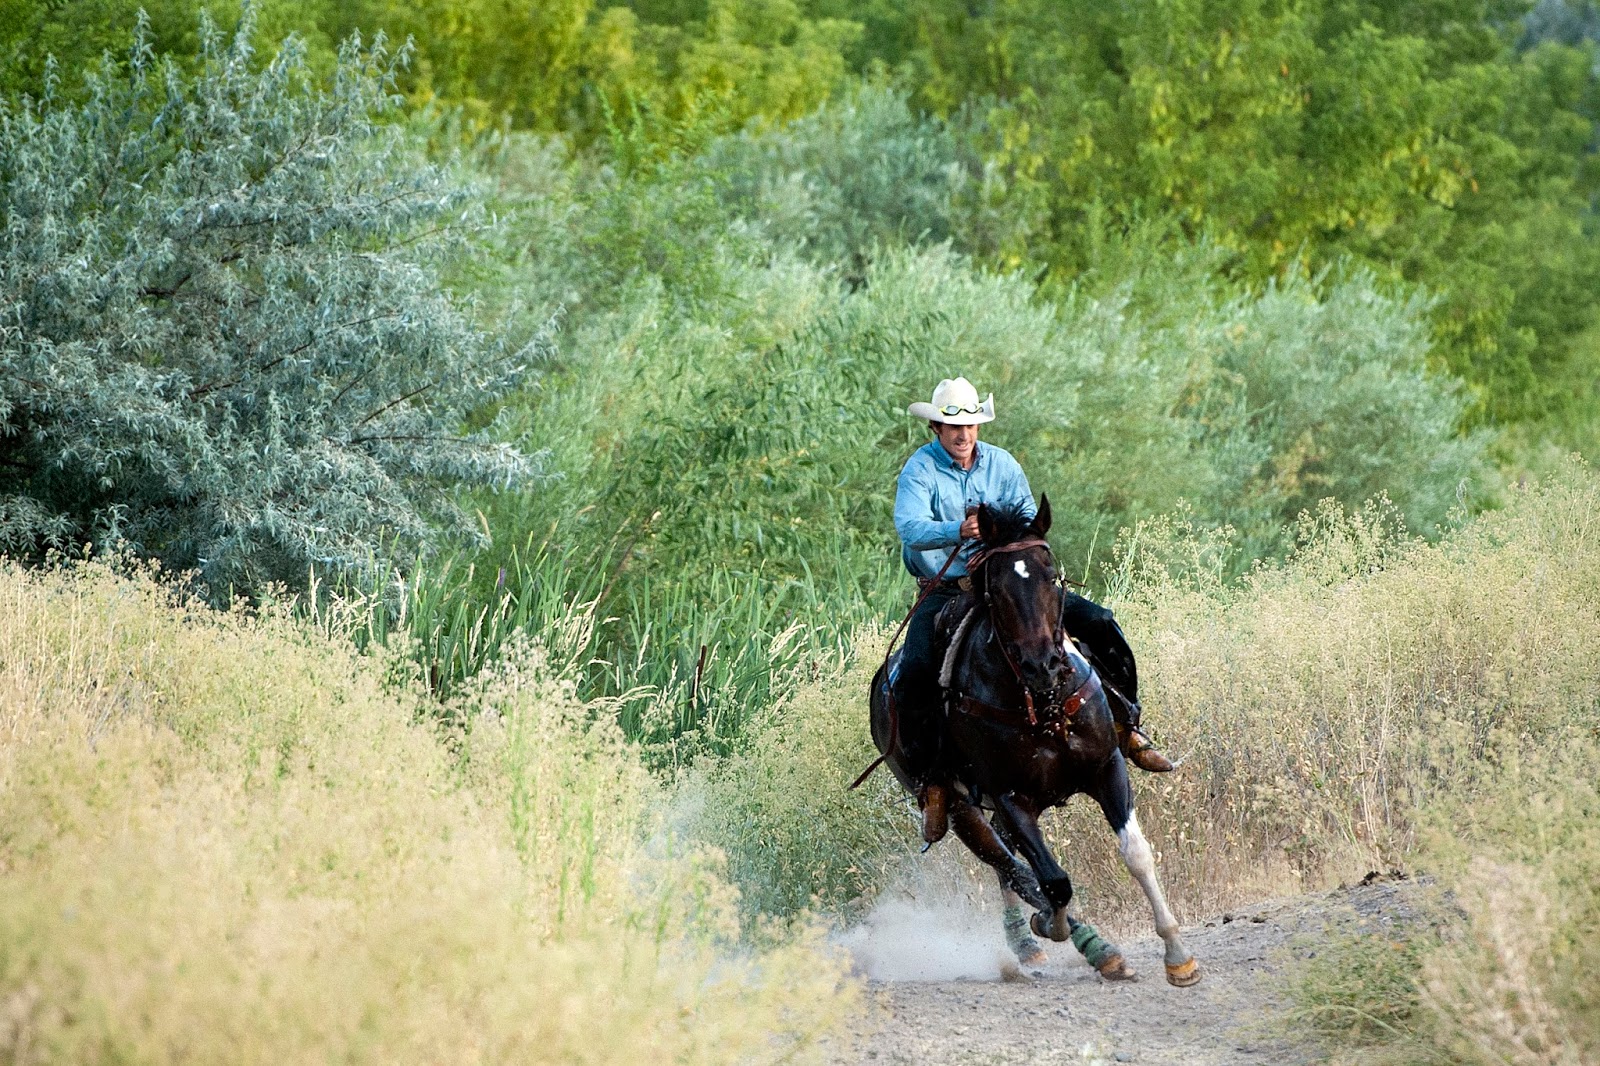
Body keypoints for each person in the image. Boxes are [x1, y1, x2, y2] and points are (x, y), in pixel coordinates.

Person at [892, 376, 1173, 844]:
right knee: (915, 670)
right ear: (936, 430)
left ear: (979, 426)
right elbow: (910, 528)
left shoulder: (1002, 464)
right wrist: (957, 530)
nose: (963, 435)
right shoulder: (919, 470)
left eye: (971, 426)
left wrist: (1013, 540)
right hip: (947, 588)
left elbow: (1025, 514)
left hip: (1008, 582)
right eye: (952, 427)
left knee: (1101, 623)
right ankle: (934, 780)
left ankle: (1128, 725)